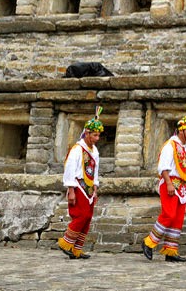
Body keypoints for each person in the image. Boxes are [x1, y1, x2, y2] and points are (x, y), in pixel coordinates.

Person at [142, 103, 186, 263]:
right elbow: (163, 166)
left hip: (182, 186)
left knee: (177, 218)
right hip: (170, 184)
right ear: (181, 130)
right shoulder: (170, 145)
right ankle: (148, 242)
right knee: (168, 214)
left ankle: (171, 250)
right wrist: (169, 183)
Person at [57, 106, 103, 259]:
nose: (97, 138)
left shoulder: (94, 151)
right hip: (78, 185)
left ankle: (76, 248)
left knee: (88, 217)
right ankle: (66, 242)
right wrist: (70, 189)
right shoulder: (77, 149)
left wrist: (95, 187)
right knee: (81, 215)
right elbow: (69, 168)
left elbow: (94, 170)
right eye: (95, 135)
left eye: (98, 135)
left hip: (89, 188)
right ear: (87, 133)